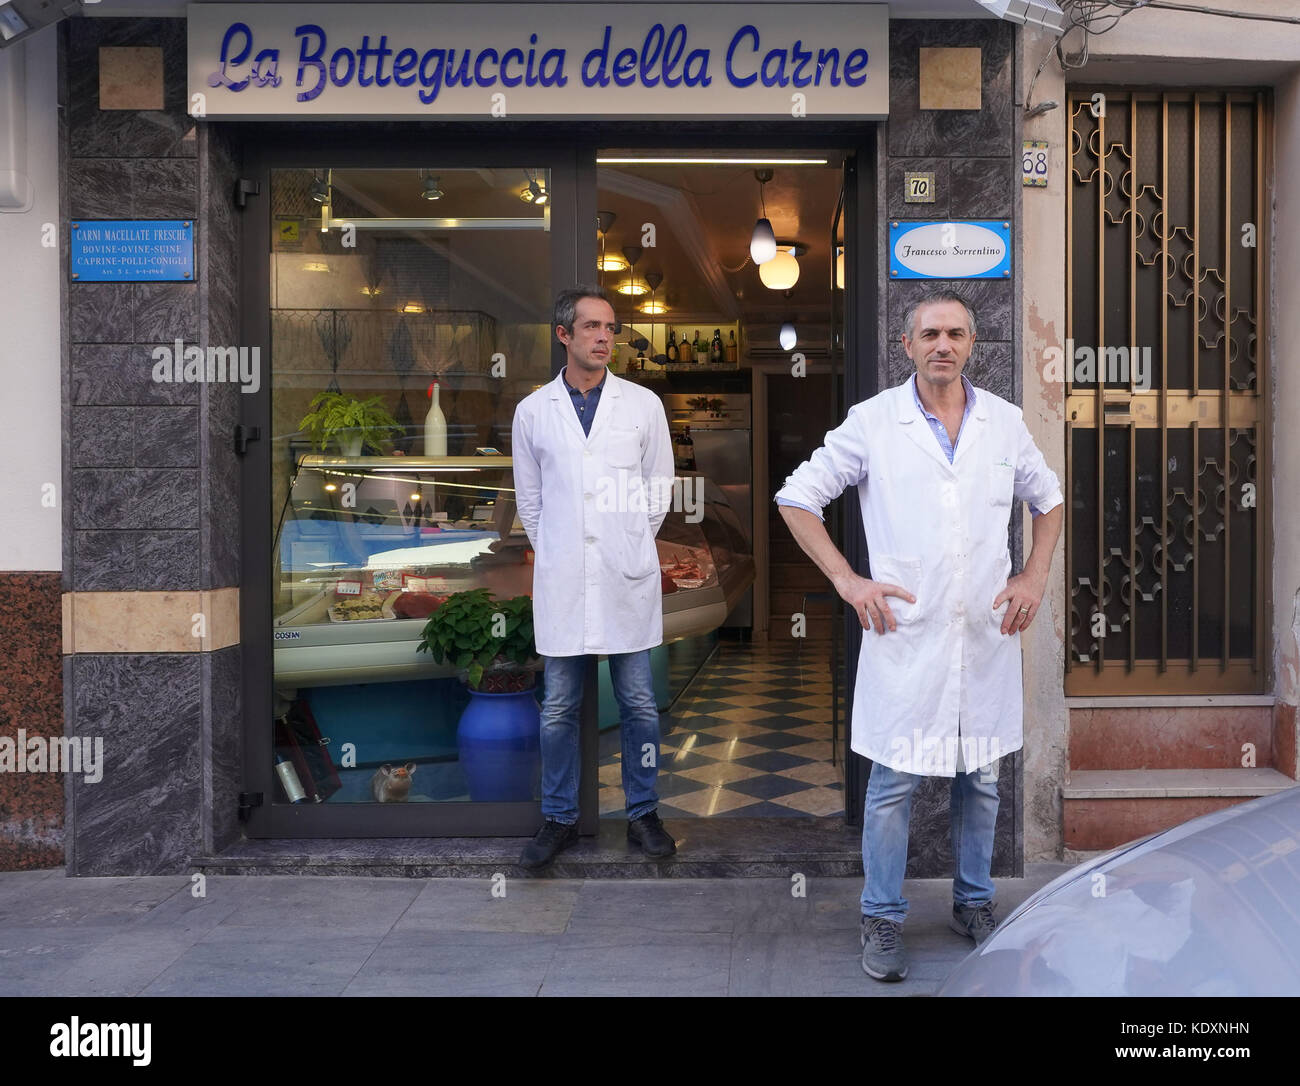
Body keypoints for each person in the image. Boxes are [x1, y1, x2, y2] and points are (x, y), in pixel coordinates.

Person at [774, 290, 1064, 982]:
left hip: (985, 636)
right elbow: (796, 497)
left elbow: (1048, 501)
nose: (943, 344)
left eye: (956, 334)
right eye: (930, 333)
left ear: (973, 344)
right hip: (907, 636)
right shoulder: (874, 422)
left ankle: (973, 902)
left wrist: (1032, 578)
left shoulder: (1005, 422)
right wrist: (847, 580)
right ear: (907, 345)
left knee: (983, 780)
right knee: (894, 784)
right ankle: (881, 916)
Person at [511, 285, 677, 869]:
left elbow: (659, 491)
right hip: (563, 580)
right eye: (592, 327)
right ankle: (558, 817)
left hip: (623, 574)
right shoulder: (533, 411)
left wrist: (625, 538)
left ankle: (644, 812)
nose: (605, 337)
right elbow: (529, 504)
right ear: (564, 335)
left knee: (639, 705)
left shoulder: (642, 405)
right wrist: (563, 550)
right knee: (558, 707)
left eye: (611, 327)